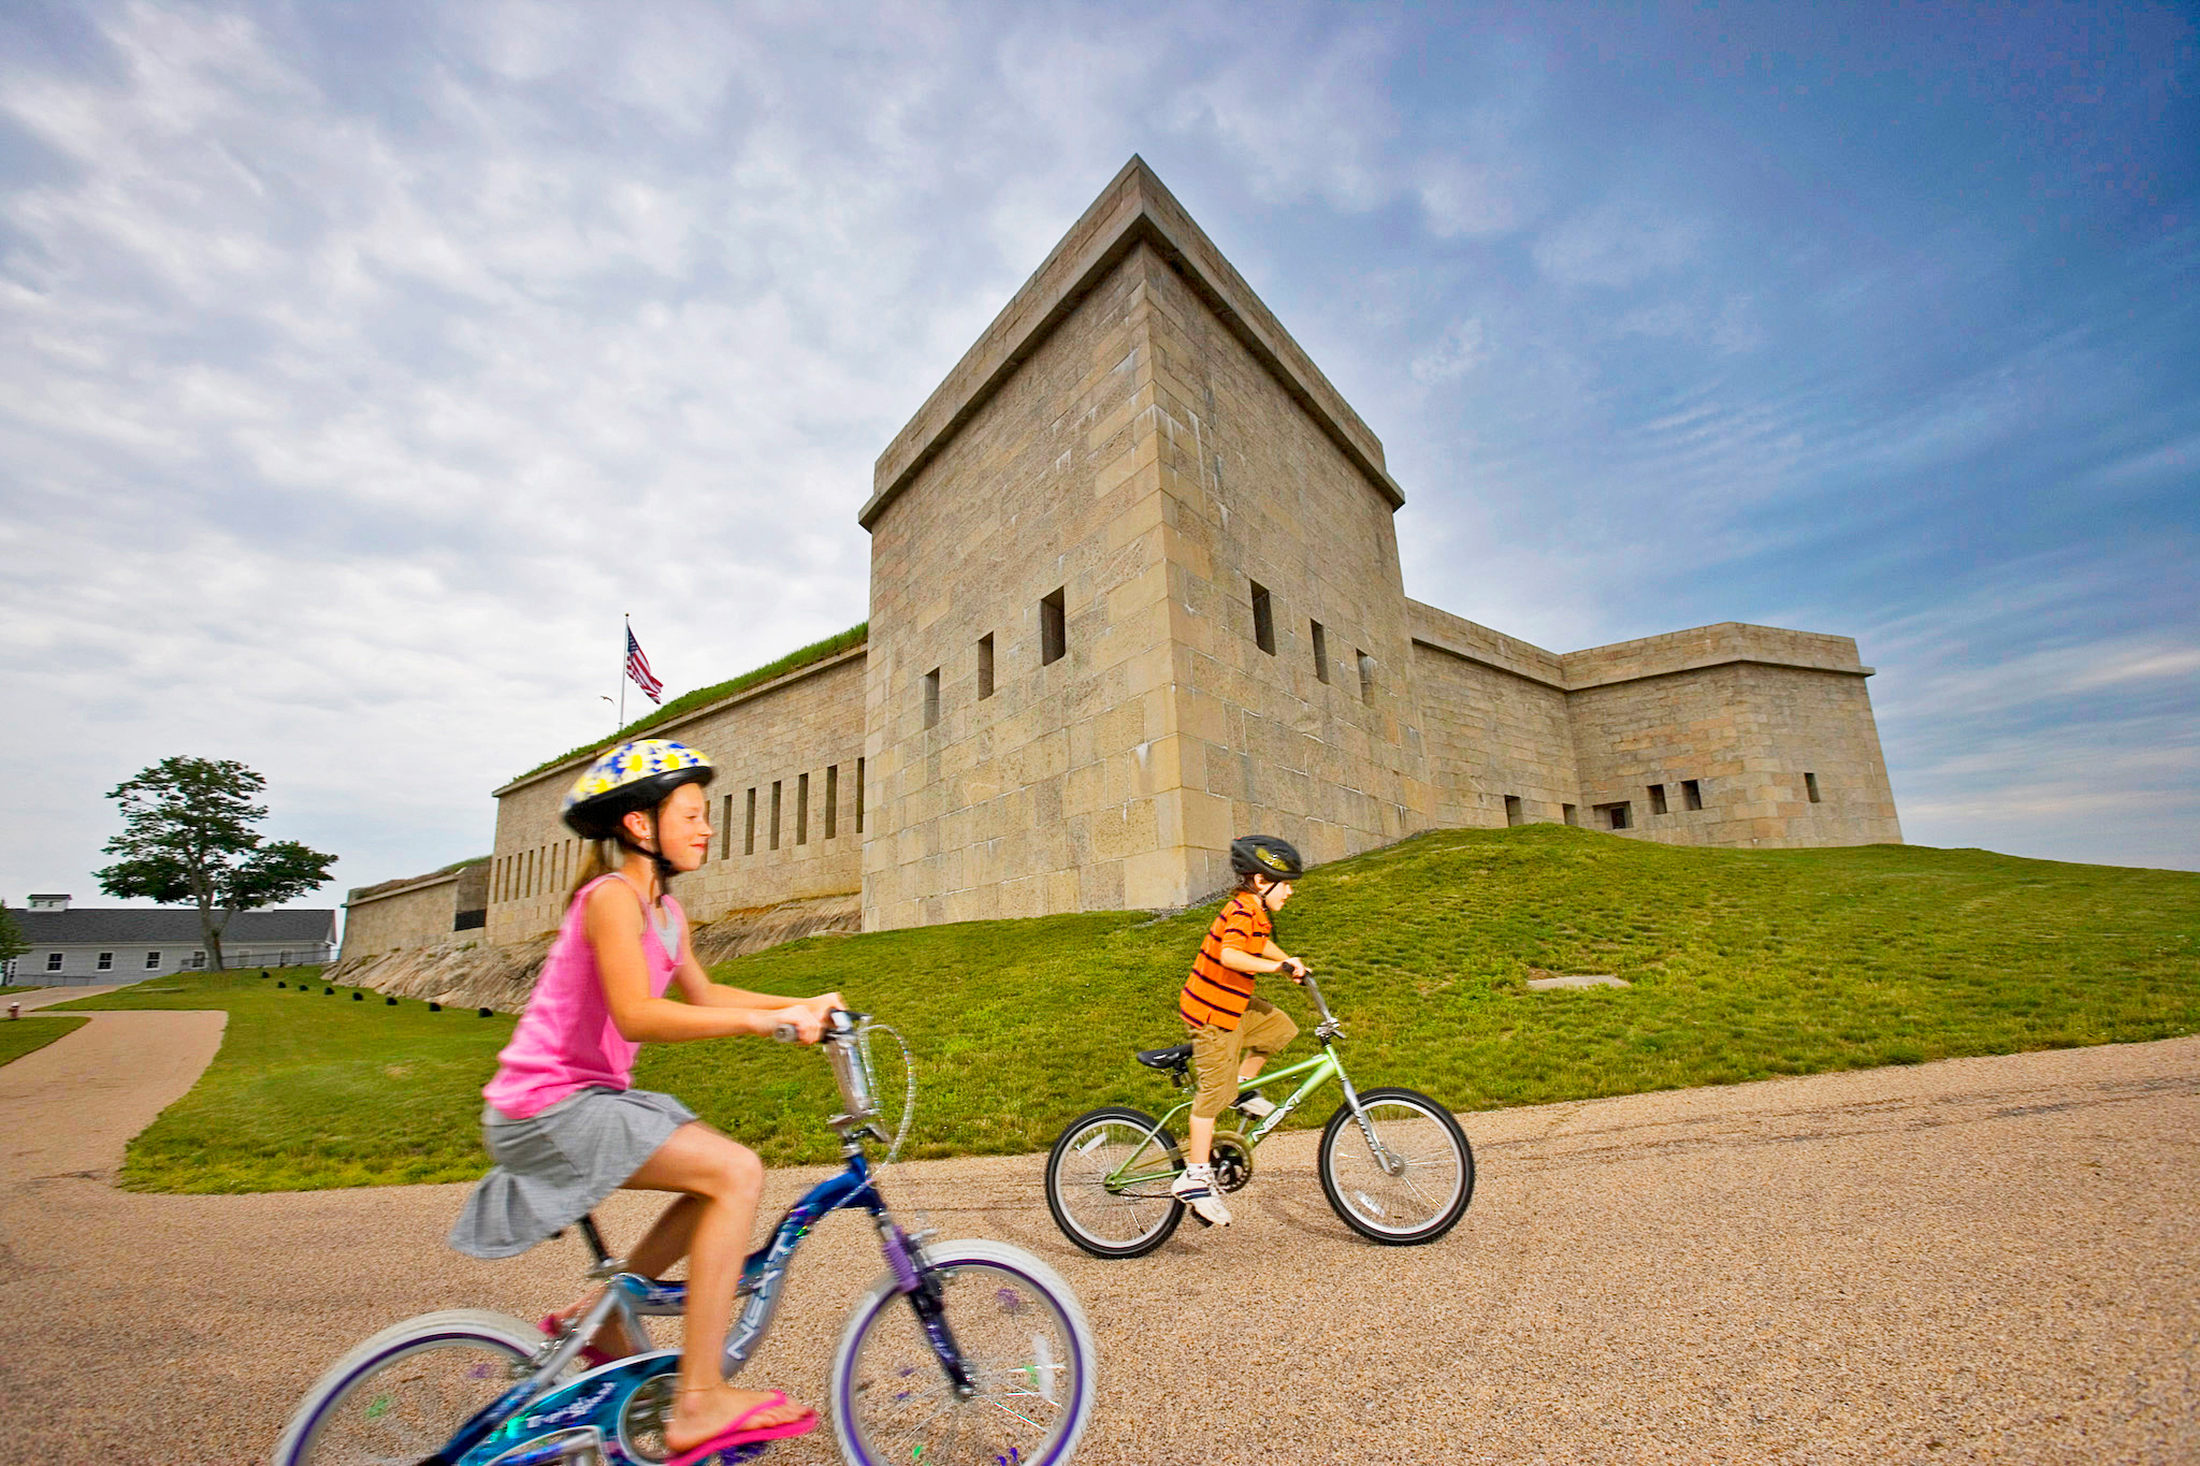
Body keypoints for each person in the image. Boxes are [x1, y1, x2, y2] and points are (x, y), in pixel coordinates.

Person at [448, 738, 839, 1465]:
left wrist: (803, 1002)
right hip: (545, 1108)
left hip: (583, 1100)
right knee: (735, 1172)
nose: (707, 828)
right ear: (639, 824)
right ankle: (699, 1400)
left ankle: (604, 1320)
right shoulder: (611, 899)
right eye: (691, 815)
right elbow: (636, 1014)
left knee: (712, 1176)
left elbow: (705, 994)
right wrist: (763, 1024)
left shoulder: (664, 912)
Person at [1169, 835, 1309, 1227]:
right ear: (1262, 881)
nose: (1291, 892)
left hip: (1233, 1006)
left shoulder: (1255, 910)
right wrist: (1278, 968)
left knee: (1279, 1028)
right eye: (1287, 884)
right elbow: (1231, 954)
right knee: (1214, 1095)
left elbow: (1258, 946)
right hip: (1211, 1014)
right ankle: (1195, 1178)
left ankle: (1243, 1088)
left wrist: (1290, 962)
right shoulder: (1243, 910)